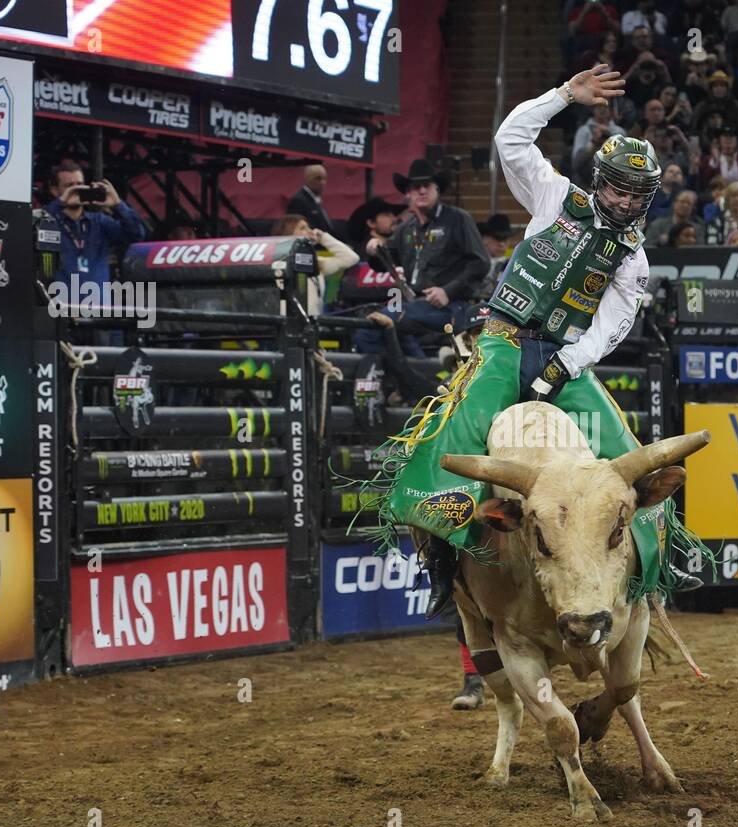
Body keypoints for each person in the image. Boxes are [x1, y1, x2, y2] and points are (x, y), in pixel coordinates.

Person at [364, 65, 709, 620]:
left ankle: (664, 559)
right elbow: (510, 140)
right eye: (618, 187)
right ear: (600, 180)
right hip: (502, 341)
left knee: (628, 456)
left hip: (565, 357)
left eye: (636, 193)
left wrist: (567, 364)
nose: (624, 201)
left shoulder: (634, 256)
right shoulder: (553, 196)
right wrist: (564, 96)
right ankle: (441, 560)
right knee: (455, 434)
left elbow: (615, 321)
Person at [361, 159, 490, 355]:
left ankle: (408, 378)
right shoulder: (406, 228)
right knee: (380, 329)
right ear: (408, 194)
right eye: (415, 187)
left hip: (454, 306)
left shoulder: (457, 218)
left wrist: (447, 291)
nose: (421, 191)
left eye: (427, 186)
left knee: (371, 330)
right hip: (416, 306)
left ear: (437, 190)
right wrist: (374, 250)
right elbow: (383, 263)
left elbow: (481, 263)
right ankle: (417, 378)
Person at [45, 159, 147, 325]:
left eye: (80, 184)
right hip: (62, 316)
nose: (76, 190)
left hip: (99, 315)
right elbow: (29, 227)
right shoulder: (49, 221)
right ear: (55, 190)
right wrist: (60, 203)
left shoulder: (99, 222)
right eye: (69, 186)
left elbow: (136, 233)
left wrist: (118, 205)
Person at [286, 164, 339, 237]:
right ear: (307, 178)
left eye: (324, 178)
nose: (322, 182)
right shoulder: (298, 201)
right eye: (318, 178)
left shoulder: (315, 199)